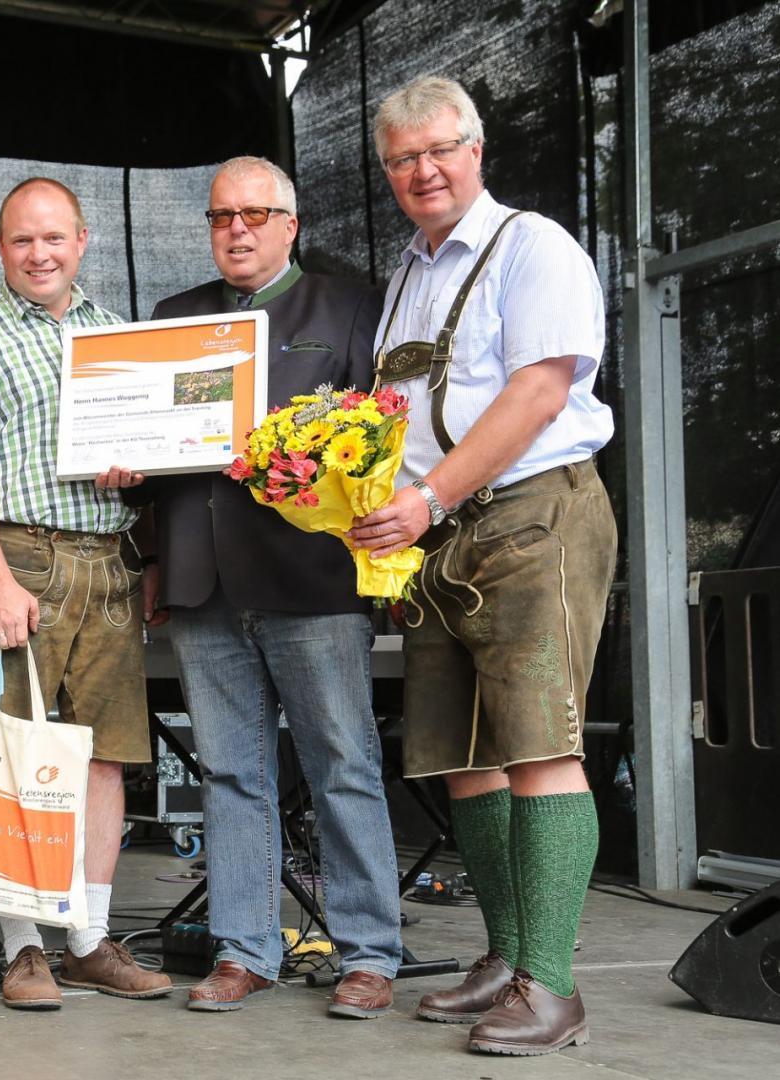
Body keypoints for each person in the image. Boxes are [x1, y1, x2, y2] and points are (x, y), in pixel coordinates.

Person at [349, 75, 615, 1056]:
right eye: (402, 160)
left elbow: (540, 391)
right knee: (464, 759)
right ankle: (507, 958)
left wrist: (427, 495)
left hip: (531, 515)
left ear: (476, 149)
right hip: (437, 538)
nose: (422, 171)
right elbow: (394, 412)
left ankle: (554, 984)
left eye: (438, 151)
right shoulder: (410, 275)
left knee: (542, 744)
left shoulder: (534, 246)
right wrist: (362, 499)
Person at [142, 156, 404, 1018]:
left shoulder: (350, 306)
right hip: (201, 581)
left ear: (291, 225)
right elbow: (150, 455)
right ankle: (245, 949)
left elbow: (381, 437)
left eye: (256, 214)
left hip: (314, 580)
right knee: (229, 773)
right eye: (222, 216)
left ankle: (368, 953)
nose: (238, 229)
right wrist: (128, 485)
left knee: (345, 767)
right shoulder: (172, 320)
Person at [0, 177, 173, 1011]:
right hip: (19, 561)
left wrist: (139, 464)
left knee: (106, 755)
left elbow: (154, 452)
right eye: (22, 241)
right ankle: (24, 947)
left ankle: (90, 939)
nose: (39, 255)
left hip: (107, 563)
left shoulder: (118, 337)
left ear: (83, 240)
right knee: (12, 756)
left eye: (54, 239)